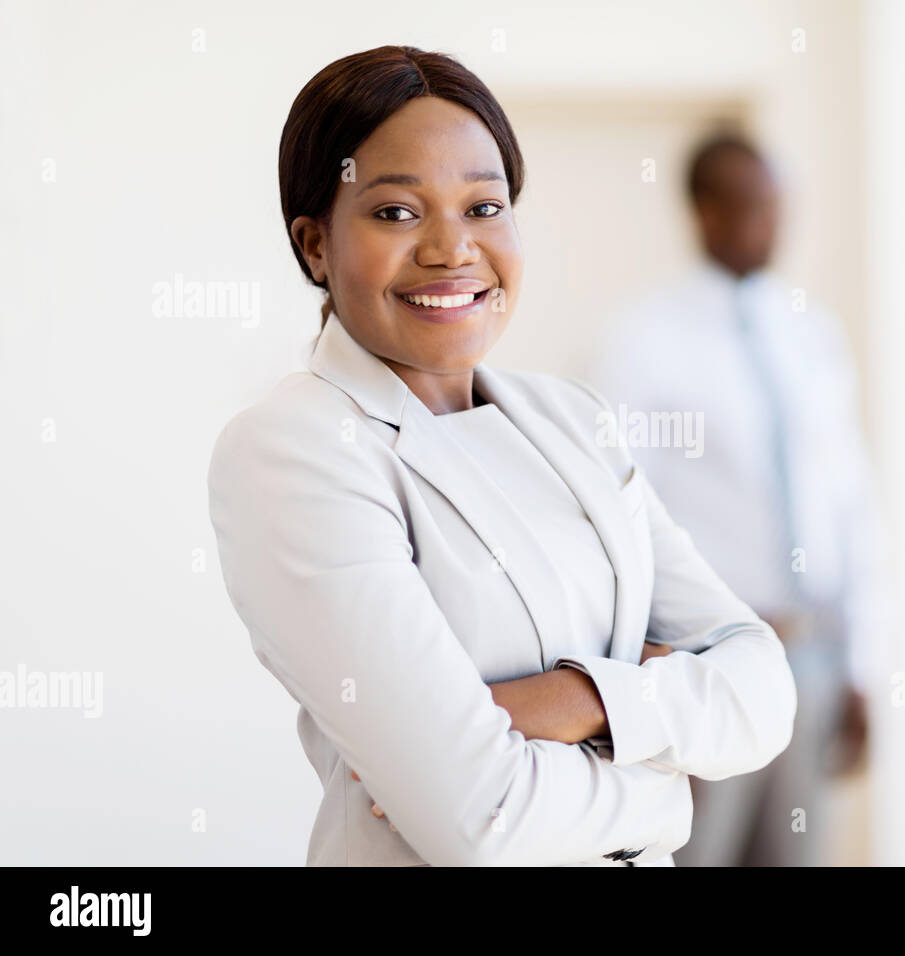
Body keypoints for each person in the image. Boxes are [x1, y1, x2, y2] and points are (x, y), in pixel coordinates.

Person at [206, 46, 797, 867]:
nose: (452, 250)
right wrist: (666, 793)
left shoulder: (572, 418)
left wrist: (577, 698)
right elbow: (480, 816)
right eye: (397, 213)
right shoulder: (294, 448)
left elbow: (763, 688)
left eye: (484, 207)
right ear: (314, 245)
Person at [588, 133, 889, 866]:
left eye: (778, 205)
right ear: (703, 211)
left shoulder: (811, 334)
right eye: (752, 205)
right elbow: (615, 516)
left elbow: (851, 508)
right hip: (706, 664)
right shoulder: (643, 340)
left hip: (811, 659)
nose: (771, 222)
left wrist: (865, 664)